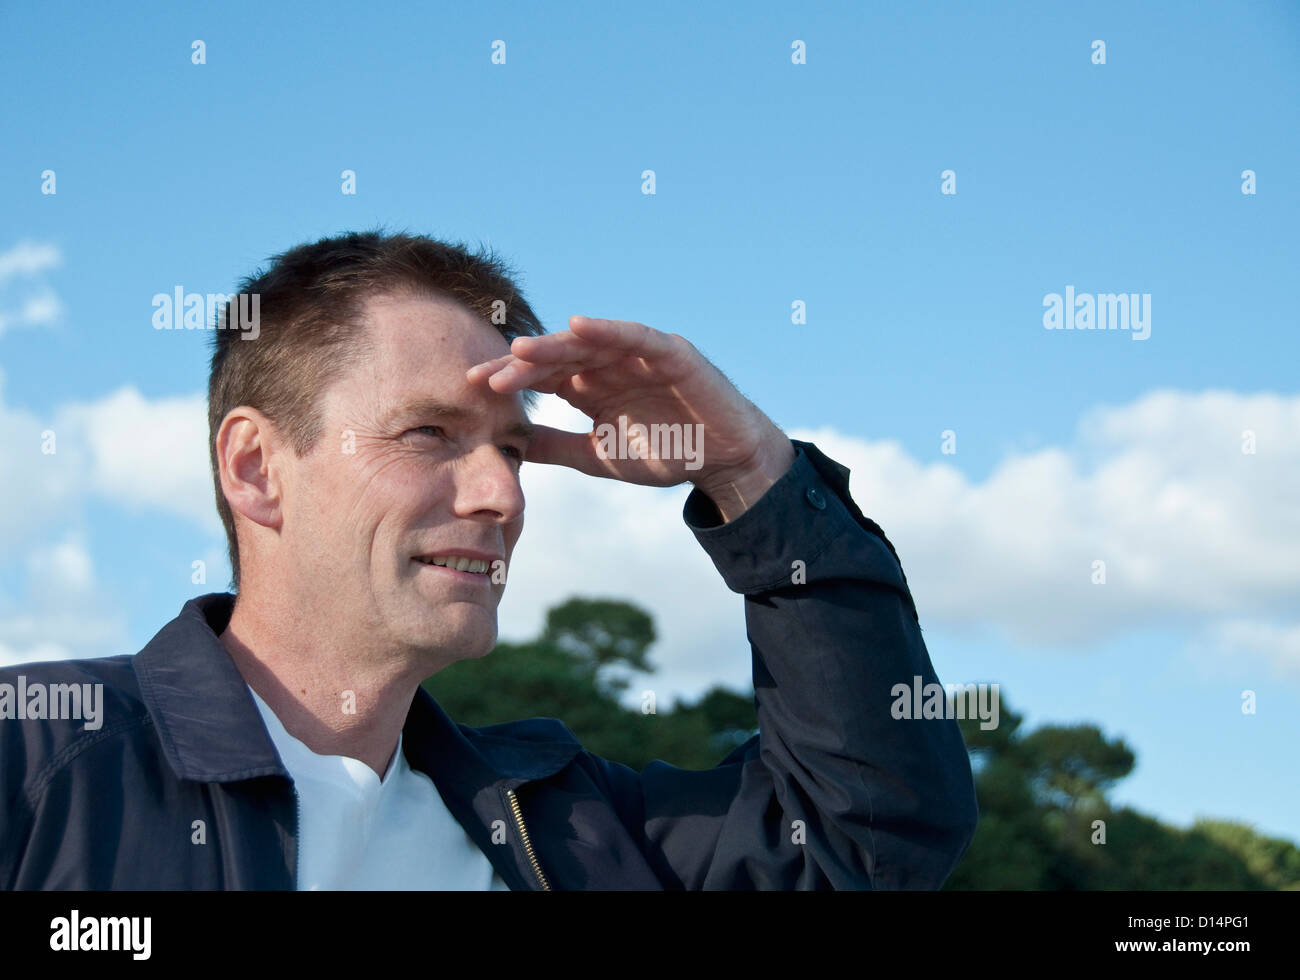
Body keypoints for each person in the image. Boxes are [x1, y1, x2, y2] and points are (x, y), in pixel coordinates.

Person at [0, 231, 977, 890]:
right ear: (257, 468)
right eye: (429, 432)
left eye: (510, 448)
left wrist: (752, 473)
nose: (502, 496)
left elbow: (867, 838)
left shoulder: (573, 824)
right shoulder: (35, 765)